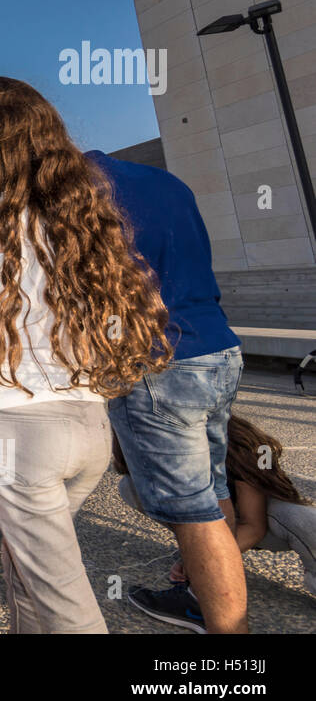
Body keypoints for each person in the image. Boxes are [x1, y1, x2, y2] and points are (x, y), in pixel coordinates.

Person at [0, 76, 171, 634]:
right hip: (88, 427)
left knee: (67, 607)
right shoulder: (77, 214)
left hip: (19, 432)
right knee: (24, 565)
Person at [88, 146, 249, 633]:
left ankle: (226, 630)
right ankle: (202, 595)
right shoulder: (167, 183)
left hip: (159, 360)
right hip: (217, 347)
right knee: (212, 487)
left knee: (191, 513)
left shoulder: (81, 197)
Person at [114, 415, 316, 619]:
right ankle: (197, 561)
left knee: (295, 515)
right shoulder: (146, 436)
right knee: (133, 487)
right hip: (211, 521)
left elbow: (254, 526)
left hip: (263, 523)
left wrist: (203, 560)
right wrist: (194, 556)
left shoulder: (239, 444)